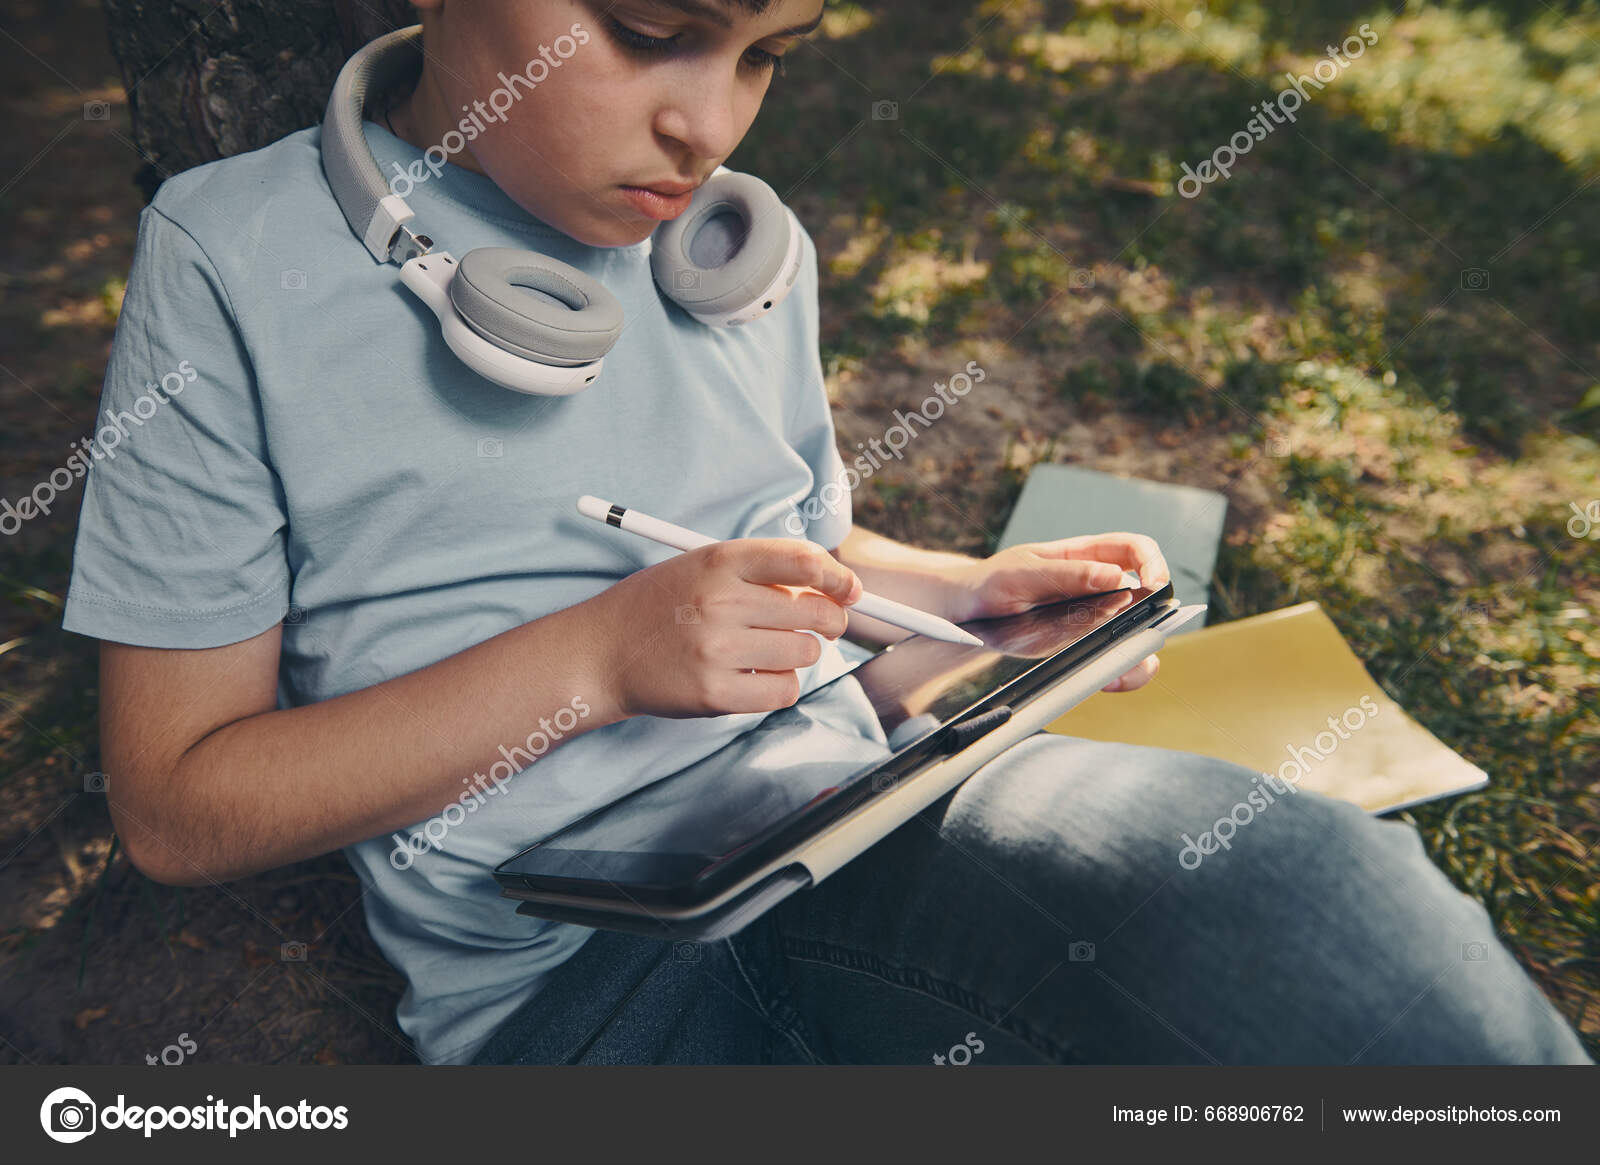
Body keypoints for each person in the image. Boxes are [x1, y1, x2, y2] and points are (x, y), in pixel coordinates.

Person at [63, 0, 1589, 1067]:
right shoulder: (233, 258)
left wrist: (967, 593)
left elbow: (775, 552)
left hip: (850, 823)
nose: (703, 124)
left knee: (1301, 890)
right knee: (1270, 919)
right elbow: (180, 806)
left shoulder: (732, 243)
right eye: (653, 30)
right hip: (601, 990)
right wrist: (599, 659)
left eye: (766, 58)